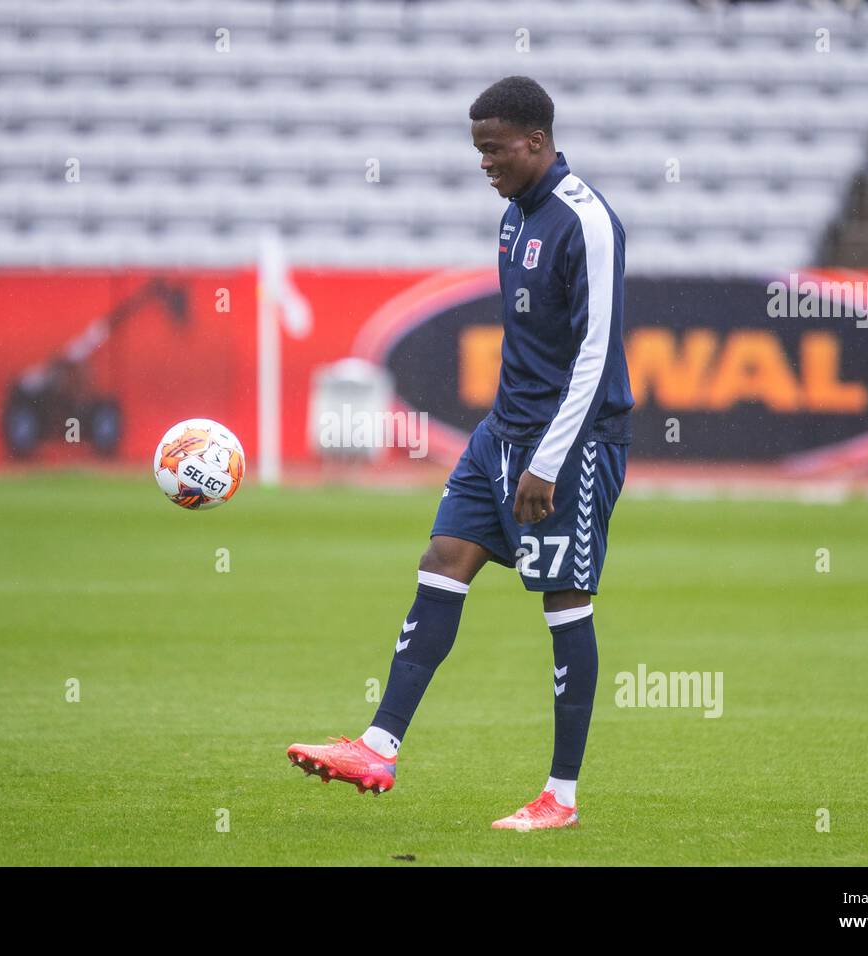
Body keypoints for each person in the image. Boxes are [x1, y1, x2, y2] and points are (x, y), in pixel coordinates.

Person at [287, 75, 634, 830]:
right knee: (444, 557)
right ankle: (379, 745)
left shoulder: (588, 223)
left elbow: (597, 352)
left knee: (564, 604)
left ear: (536, 141)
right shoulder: (514, 217)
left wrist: (547, 459)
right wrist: (510, 441)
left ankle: (560, 797)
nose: (484, 163)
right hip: (500, 436)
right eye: (477, 149)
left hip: (568, 447)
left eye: (493, 148)